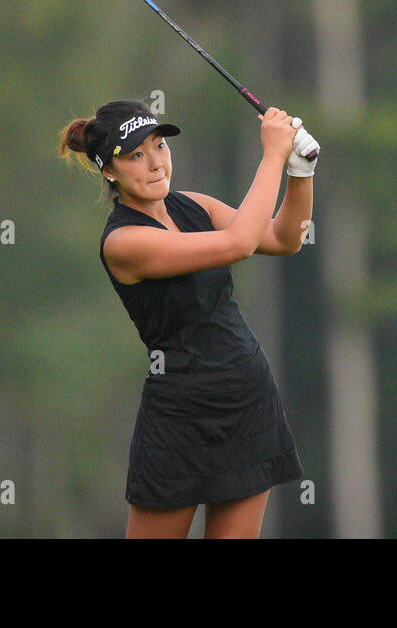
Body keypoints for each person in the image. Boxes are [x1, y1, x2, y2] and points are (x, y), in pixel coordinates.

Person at [58, 98, 318, 538]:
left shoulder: (194, 206)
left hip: (246, 398)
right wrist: (272, 155)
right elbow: (237, 244)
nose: (155, 163)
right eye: (136, 155)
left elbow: (283, 238)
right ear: (109, 171)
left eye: (159, 146)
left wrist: (299, 171)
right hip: (179, 416)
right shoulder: (124, 242)